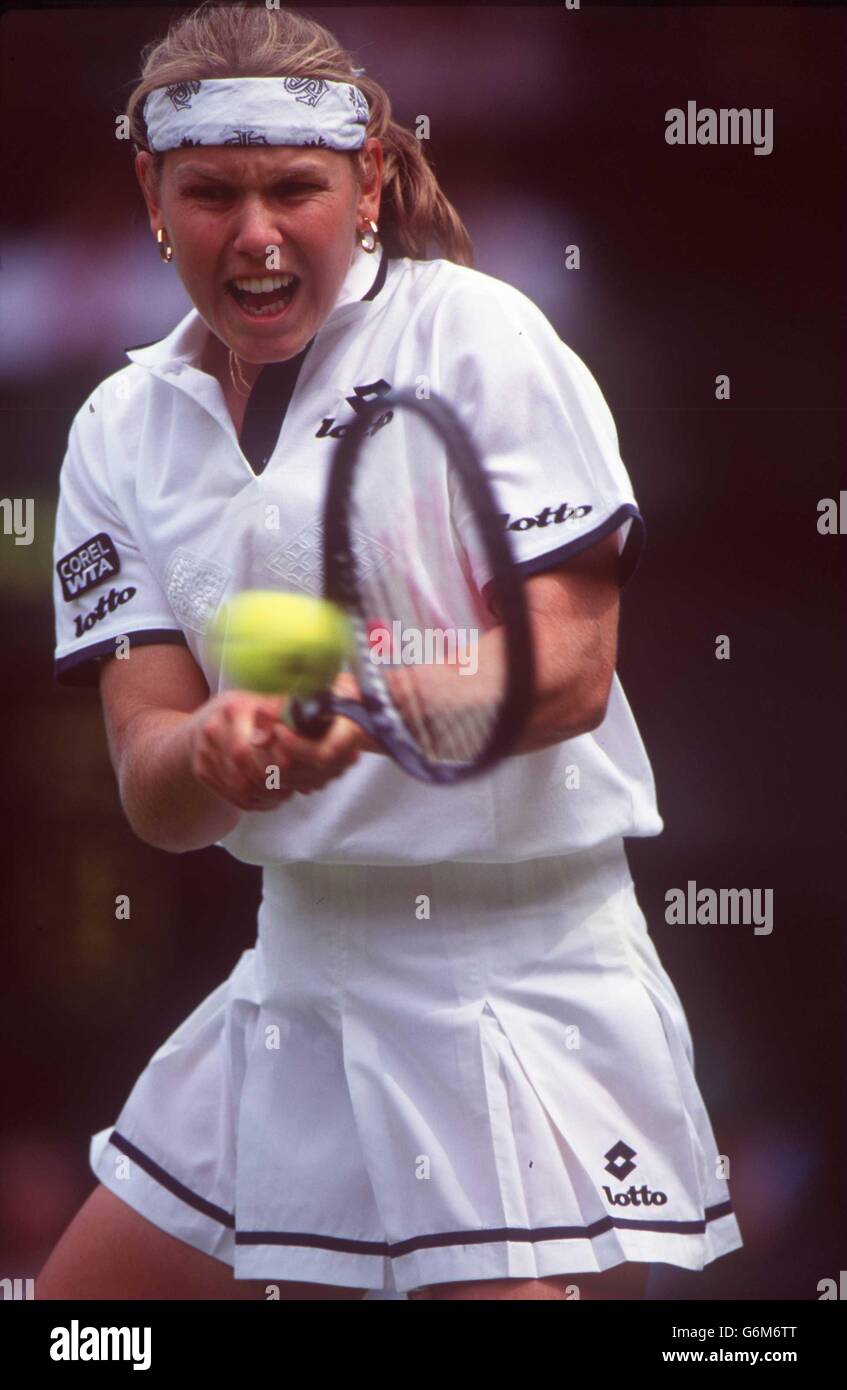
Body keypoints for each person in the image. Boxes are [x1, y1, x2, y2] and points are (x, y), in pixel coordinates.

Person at [39, 3, 742, 1302]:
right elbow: (151, 780)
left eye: (293, 187)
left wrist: (365, 709)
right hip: (296, 975)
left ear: (367, 182)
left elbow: (569, 668)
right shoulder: (115, 430)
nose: (253, 232)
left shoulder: (483, 337)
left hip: (523, 986)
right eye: (211, 192)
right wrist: (213, 747)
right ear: (151, 191)